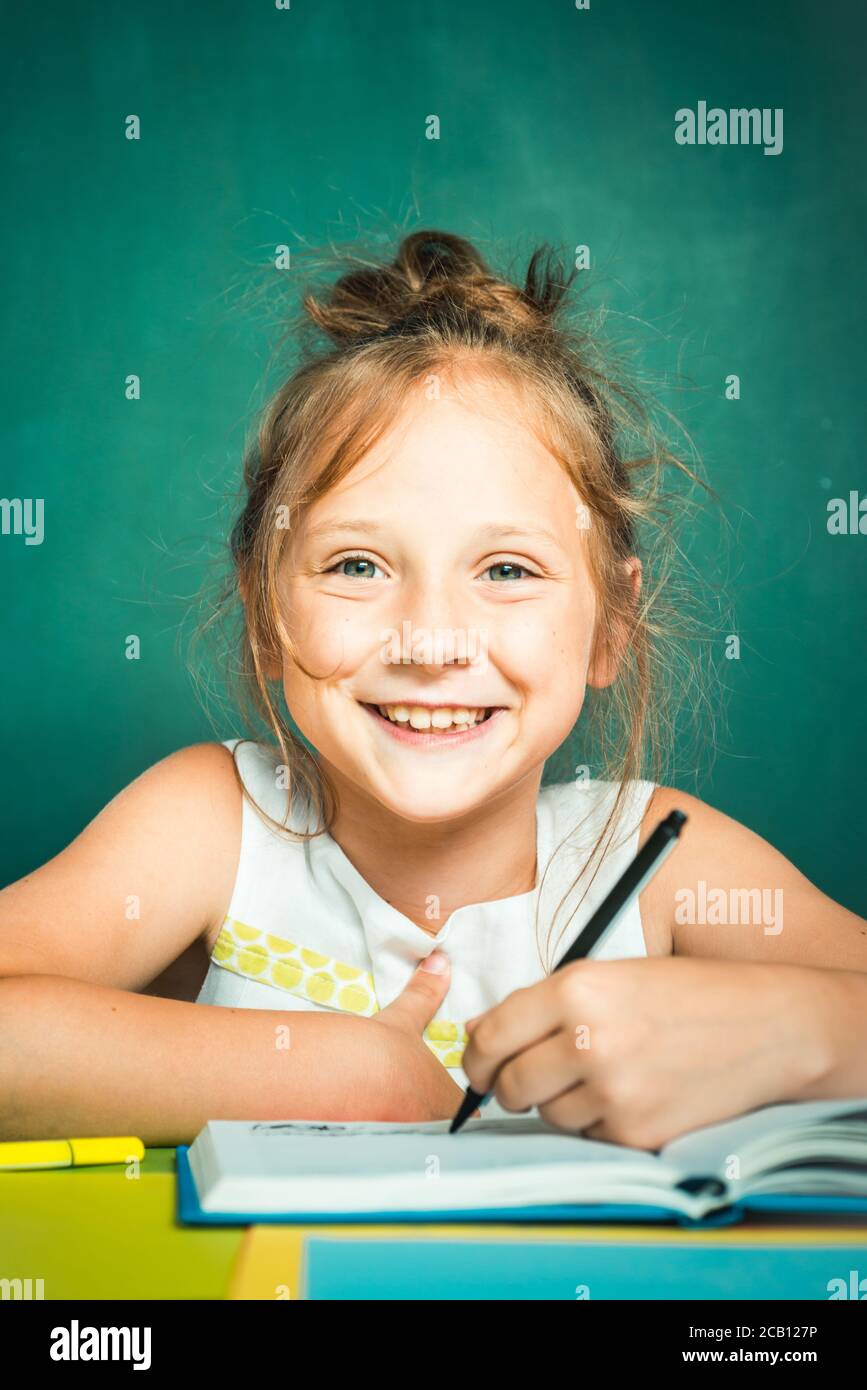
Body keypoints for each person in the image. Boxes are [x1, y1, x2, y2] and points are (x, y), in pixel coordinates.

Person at [2, 230, 865, 1149]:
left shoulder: (655, 861)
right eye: (358, 564)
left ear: (610, 622)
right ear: (265, 614)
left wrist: (792, 1039)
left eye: (504, 570)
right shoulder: (214, 822)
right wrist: (336, 1072)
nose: (430, 640)